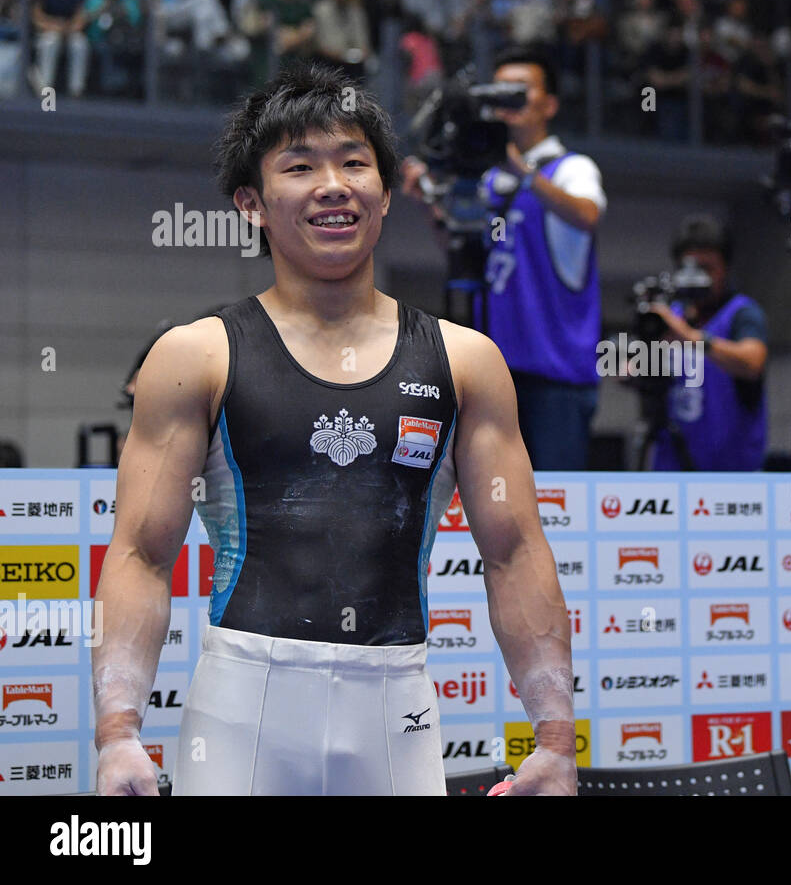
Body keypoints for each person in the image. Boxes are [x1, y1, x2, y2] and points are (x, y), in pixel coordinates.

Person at [92, 63, 577, 796]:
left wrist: (555, 739)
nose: (333, 185)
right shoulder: (196, 356)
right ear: (251, 203)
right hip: (243, 709)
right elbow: (140, 553)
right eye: (300, 166)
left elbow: (513, 552)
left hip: (394, 710)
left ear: (386, 192)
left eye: (355, 162)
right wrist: (117, 734)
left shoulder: (466, 362)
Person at [401, 46, 606, 471]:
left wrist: (523, 173)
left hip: (555, 374)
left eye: (521, 90)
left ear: (549, 104)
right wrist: (427, 201)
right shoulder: (487, 175)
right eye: (499, 91)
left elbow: (587, 215)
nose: (506, 101)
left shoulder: (570, 167)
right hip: (493, 370)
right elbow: (464, 253)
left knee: (555, 503)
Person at [647, 214, 768, 471]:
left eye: (707, 268)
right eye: (690, 267)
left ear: (725, 267)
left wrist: (692, 338)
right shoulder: (669, 316)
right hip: (671, 470)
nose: (698, 278)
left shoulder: (741, 313)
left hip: (731, 475)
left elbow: (752, 361)